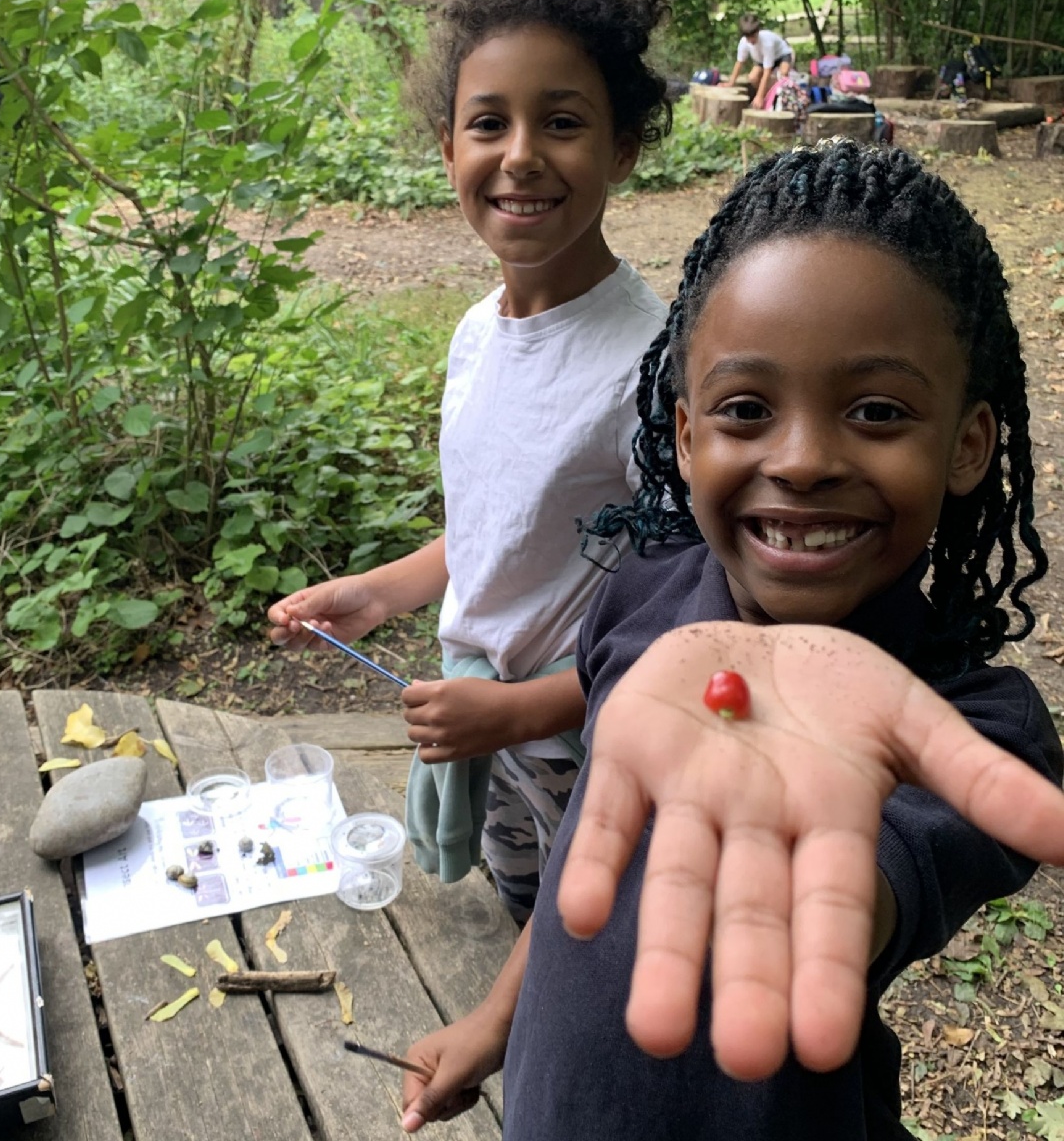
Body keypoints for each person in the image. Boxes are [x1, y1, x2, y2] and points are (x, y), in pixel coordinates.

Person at [399, 142, 1064, 1139]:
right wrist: (494, 1022)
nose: (801, 460)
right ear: (683, 435)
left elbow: (853, 897)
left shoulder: (972, 736)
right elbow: (593, 844)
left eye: (877, 412)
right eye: (746, 410)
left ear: (968, 444)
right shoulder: (641, 599)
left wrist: (813, 842)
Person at [267, 0, 672, 922]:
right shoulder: (473, 336)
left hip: (589, 747)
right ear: (449, 151)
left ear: (621, 146)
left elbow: (686, 629)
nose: (522, 153)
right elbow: (492, 534)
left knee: (594, 935)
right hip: (482, 730)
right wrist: (380, 591)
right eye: (489, 123)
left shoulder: (656, 367)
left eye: (563, 122)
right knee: (522, 900)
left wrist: (526, 709)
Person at [726, 11, 795, 109]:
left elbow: (767, 72)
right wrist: (731, 82)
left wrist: (759, 96)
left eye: (753, 37)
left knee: (783, 75)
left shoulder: (767, 43)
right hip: (761, 60)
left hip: (782, 54)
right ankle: (769, 98)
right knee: (752, 77)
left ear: (758, 32)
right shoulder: (744, 43)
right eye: (748, 38)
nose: (751, 41)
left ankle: (780, 98)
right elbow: (739, 62)